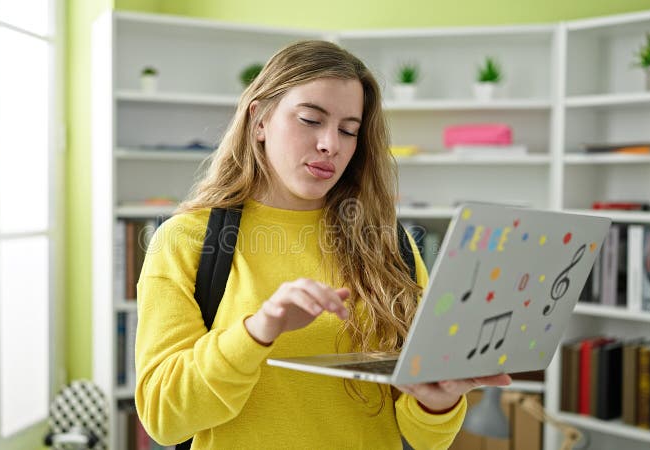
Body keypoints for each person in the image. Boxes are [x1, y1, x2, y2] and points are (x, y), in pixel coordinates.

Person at [135, 40, 511, 449]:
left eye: (349, 130)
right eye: (311, 120)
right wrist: (259, 330)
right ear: (259, 119)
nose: (331, 144)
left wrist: (437, 404)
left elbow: (425, 440)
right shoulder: (185, 239)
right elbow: (164, 417)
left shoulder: (389, 243)